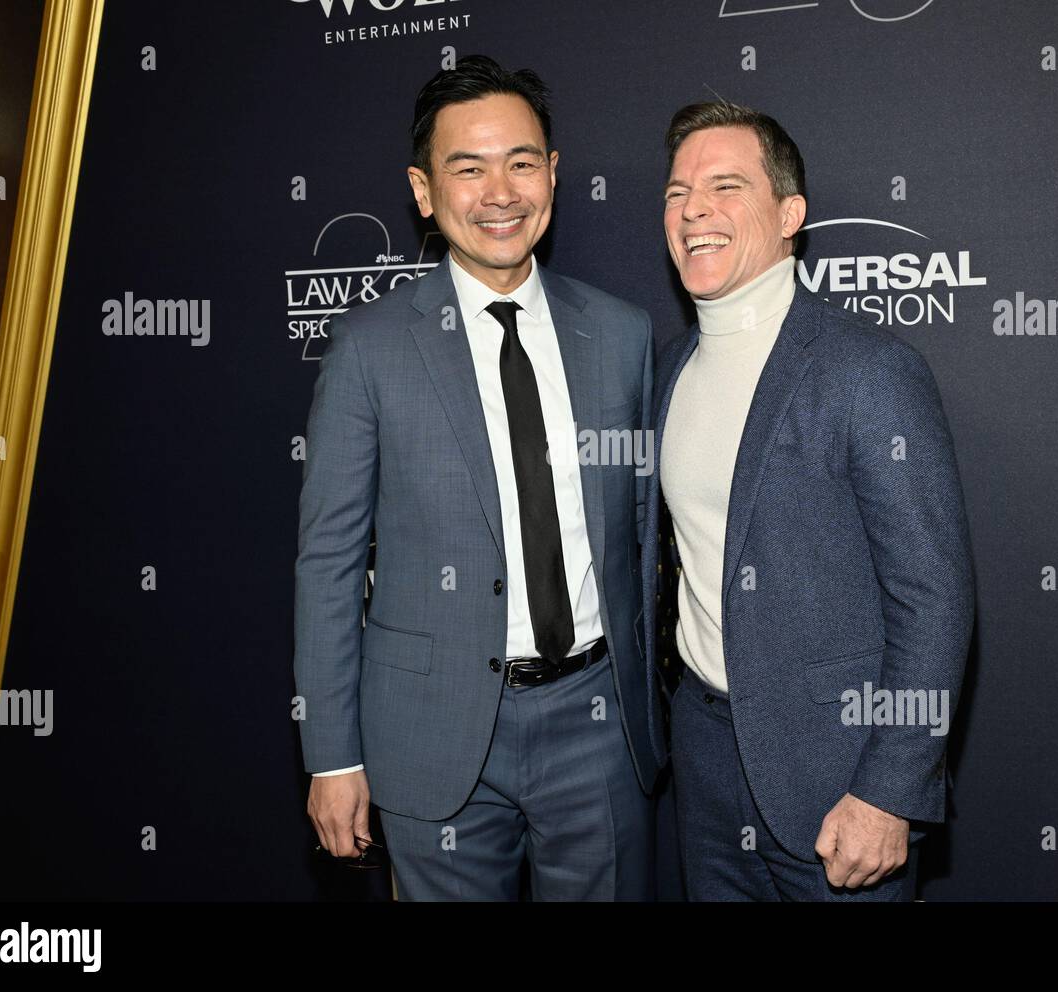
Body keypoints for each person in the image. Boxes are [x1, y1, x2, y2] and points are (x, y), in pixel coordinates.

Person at [294, 55, 661, 900]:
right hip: (430, 733)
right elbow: (328, 564)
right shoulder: (370, 349)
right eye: (469, 167)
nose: (501, 191)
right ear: (424, 191)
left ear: (554, 175)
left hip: (599, 728)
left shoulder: (622, 335)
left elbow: (644, 537)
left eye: (522, 162)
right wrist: (333, 756)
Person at [642, 99, 975, 900]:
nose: (694, 210)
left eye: (726, 186)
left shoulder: (867, 371)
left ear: (789, 213)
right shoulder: (668, 370)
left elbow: (935, 598)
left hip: (839, 775)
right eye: (677, 192)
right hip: (706, 758)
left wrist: (891, 789)